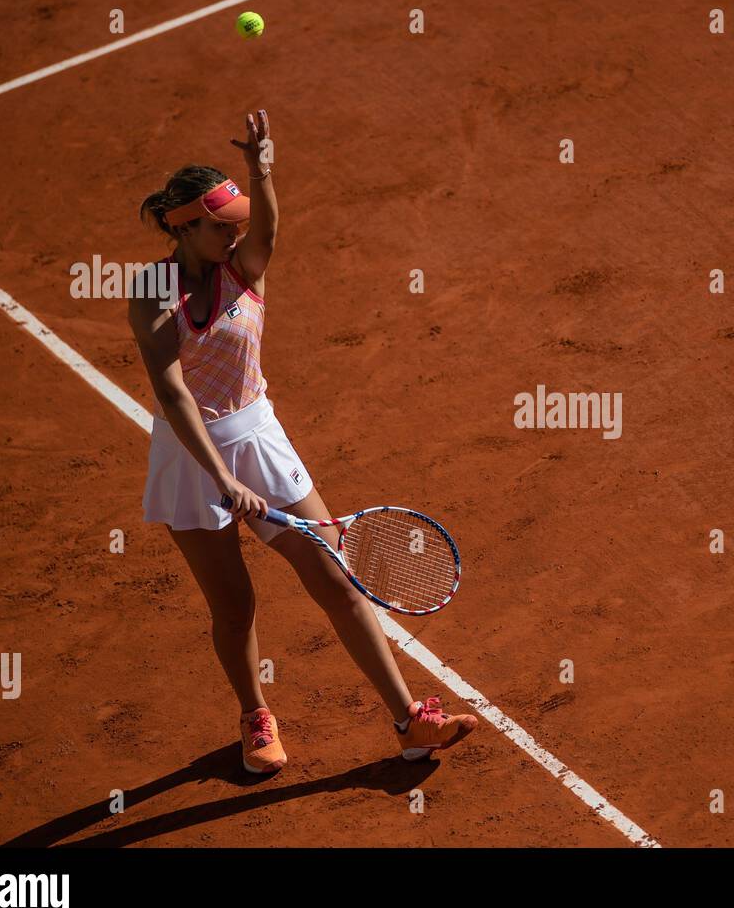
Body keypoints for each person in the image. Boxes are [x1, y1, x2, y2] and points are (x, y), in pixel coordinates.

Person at [127, 110, 476, 773]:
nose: (237, 238)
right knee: (235, 604)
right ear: (186, 226)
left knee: (337, 579)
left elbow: (270, 227)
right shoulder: (153, 294)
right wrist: (223, 481)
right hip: (189, 454)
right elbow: (174, 394)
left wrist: (262, 171)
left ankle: (410, 723)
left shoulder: (245, 267)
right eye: (223, 228)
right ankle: (255, 717)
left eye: (239, 226)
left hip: (257, 436)